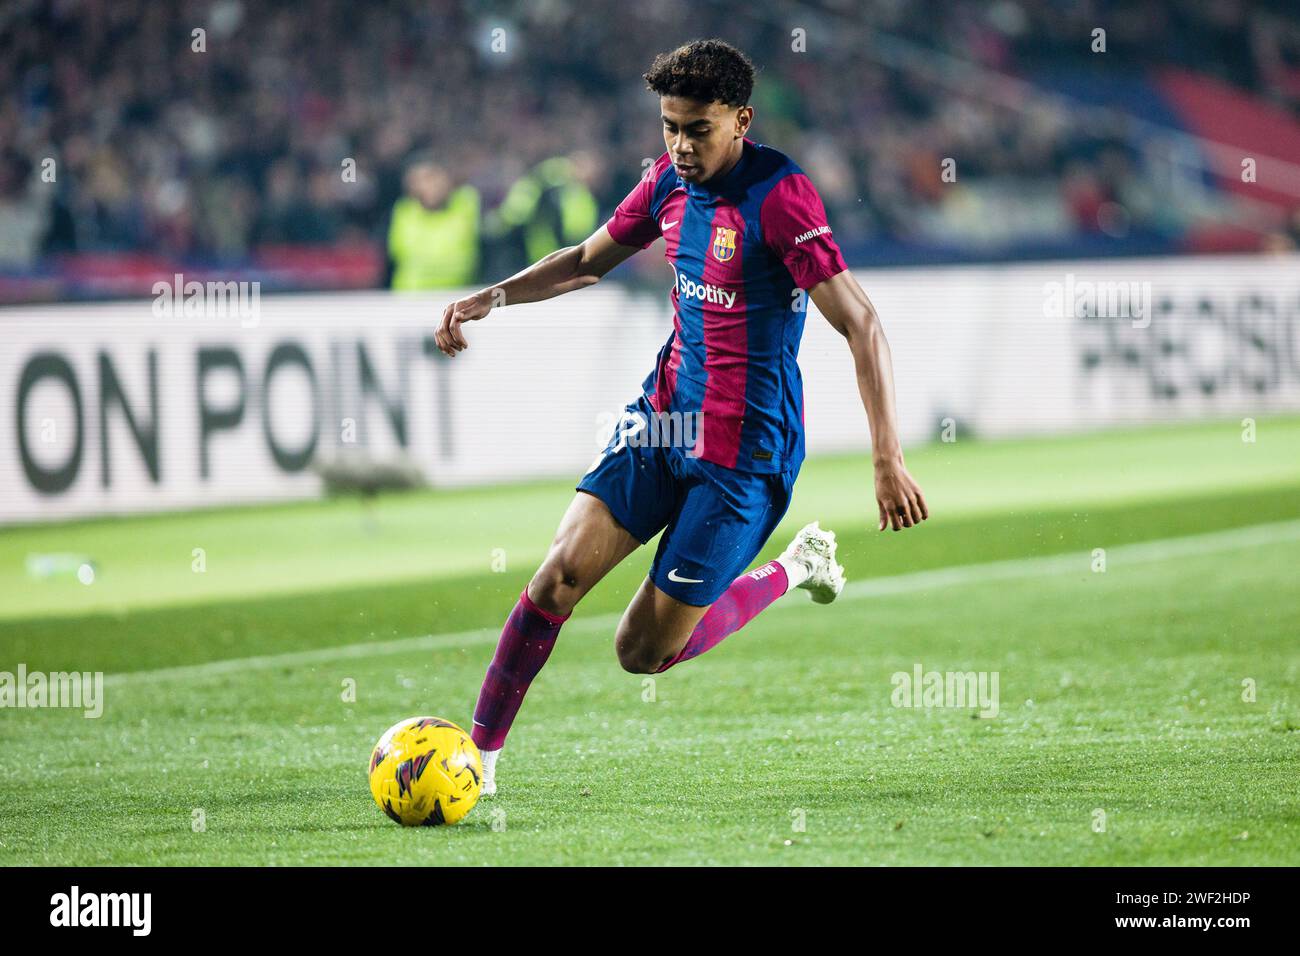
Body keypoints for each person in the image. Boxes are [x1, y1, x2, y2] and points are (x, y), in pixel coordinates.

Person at [435, 39, 928, 797]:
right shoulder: (666, 181)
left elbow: (862, 323)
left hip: (744, 457)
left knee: (642, 652)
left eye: (697, 129)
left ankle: (797, 566)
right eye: (669, 126)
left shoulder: (781, 195)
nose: (680, 145)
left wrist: (887, 458)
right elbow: (586, 261)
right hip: (661, 423)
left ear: (741, 120)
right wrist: (488, 297)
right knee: (555, 579)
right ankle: (477, 762)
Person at [387, 154, 480, 290]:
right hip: (412, 295)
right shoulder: (404, 211)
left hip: (460, 293)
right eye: (418, 180)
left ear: (447, 178)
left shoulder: (466, 203)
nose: (427, 185)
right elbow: (400, 254)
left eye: (431, 178)